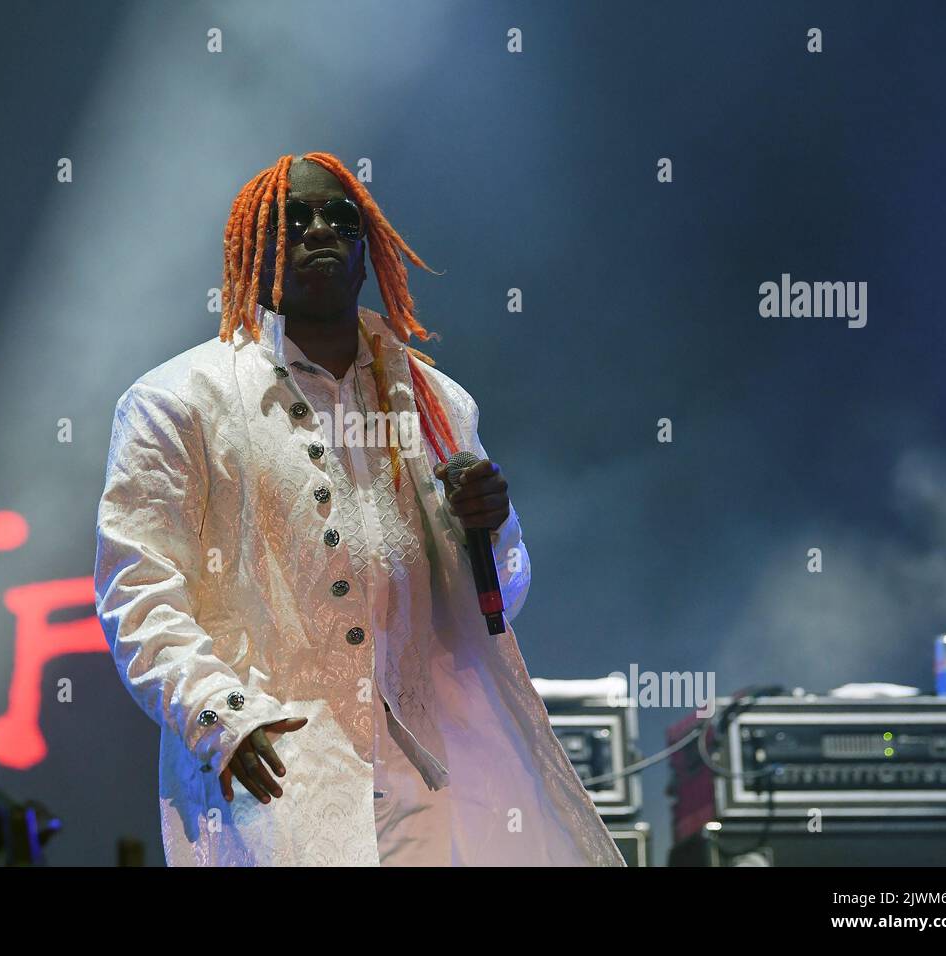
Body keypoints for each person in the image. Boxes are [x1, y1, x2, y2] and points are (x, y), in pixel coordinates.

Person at [94, 151, 623, 866]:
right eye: (295, 218)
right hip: (278, 766)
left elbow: (499, 605)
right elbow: (137, 589)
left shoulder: (438, 404)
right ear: (255, 244)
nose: (320, 231)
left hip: (429, 773)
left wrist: (490, 532)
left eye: (342, 219)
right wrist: (217, 715)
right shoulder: (179, 401)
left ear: (368, 250)